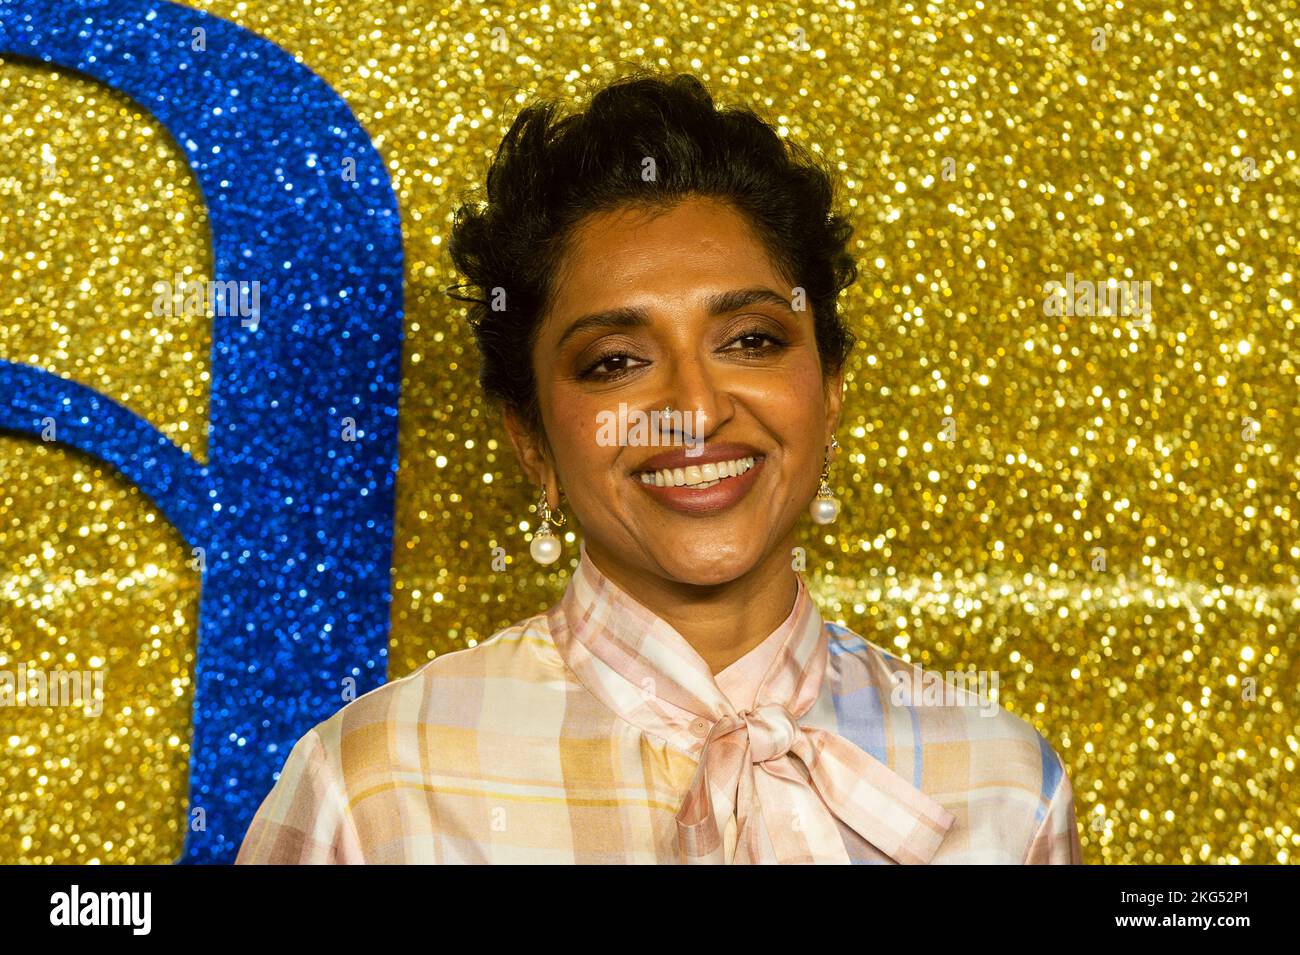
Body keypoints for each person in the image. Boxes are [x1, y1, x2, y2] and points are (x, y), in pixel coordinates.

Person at [236, 71, 1083, 864]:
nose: (695, 409)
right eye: (614, 361)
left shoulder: (1005, 784)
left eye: (751, 340)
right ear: (532, 438)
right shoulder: (375, 789)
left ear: (828, 391)